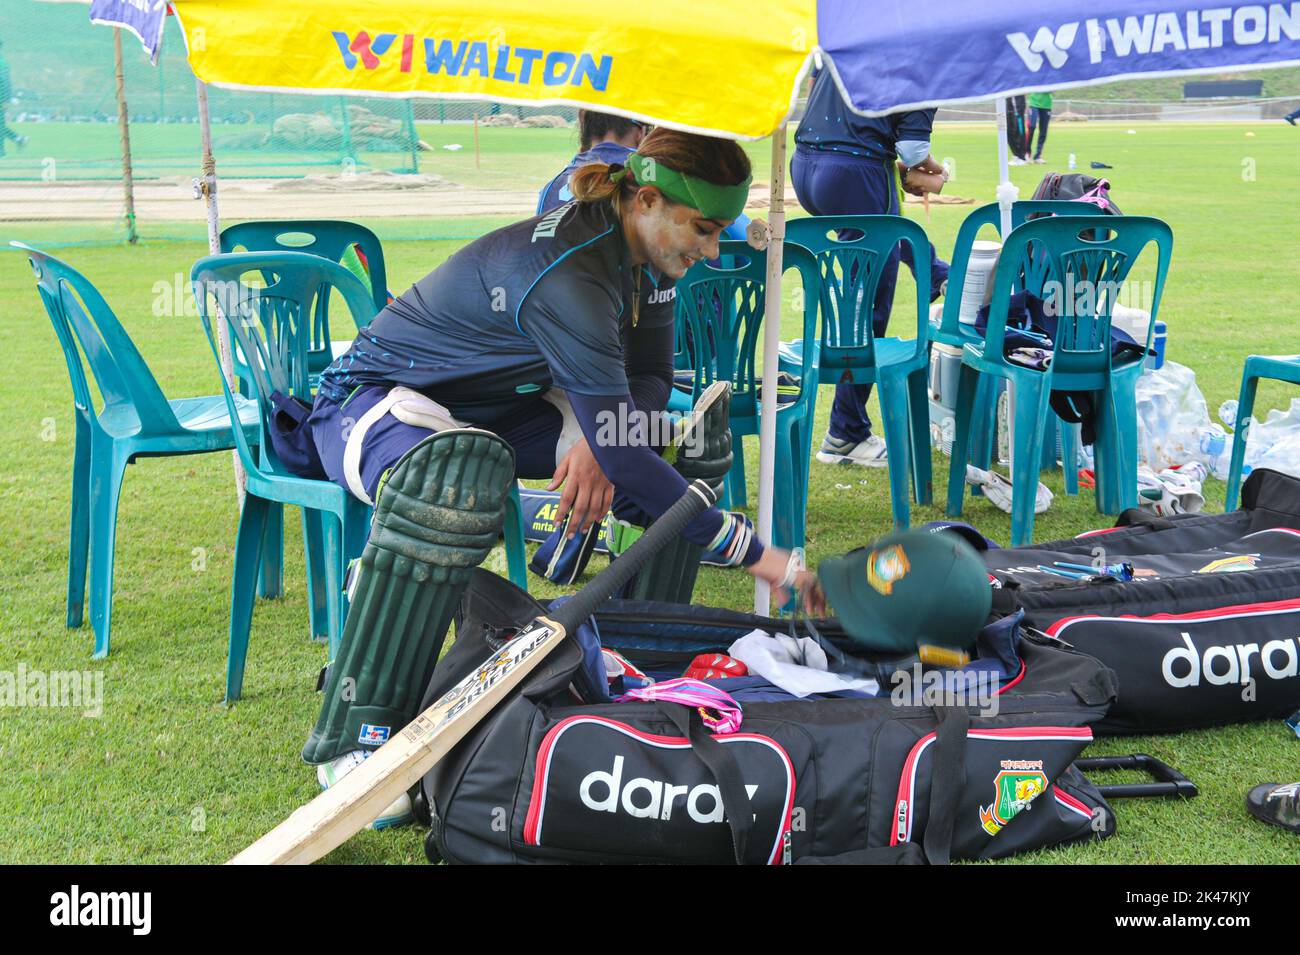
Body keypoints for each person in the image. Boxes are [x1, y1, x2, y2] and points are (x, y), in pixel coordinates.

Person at [299, 128, 814, 822]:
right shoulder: (574, 270)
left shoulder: (646, 258)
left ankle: (630, 663)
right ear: (649, 201)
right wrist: (761, 556)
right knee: (448, 483)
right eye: (705, 228)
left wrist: (596, 439)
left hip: (487, 410)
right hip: (366, 405)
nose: (714, 250)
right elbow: (620, 440)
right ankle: (356, 725)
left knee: (679, 445)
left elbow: (652, 380)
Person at [791, 68, 951, 467]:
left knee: (888, 236)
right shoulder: (927, 54)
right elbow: (913, 151)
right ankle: (846, 432)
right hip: (852, 169)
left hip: (806, 163)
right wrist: (938, 171)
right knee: (868, 302)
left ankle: (941, 275)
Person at [0, 40, 27, 158]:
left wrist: (7, 97)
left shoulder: (2, 63)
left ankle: (2, 150)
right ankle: (17, 138)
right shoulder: (3, 62)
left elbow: (5, 82)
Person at [1025, 91, 1052, 163]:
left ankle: (1037, 156)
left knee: (1043, 131)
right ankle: (1027, 153)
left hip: (1047, 105)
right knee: (1031, 127)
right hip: (1034, 103)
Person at [1006, 94, 1029, 165]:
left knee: (1019, 133)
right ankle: (1015, 155)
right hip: (1009, 111)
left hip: (1018, 112)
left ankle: (1023, 157)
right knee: (1008, 133)